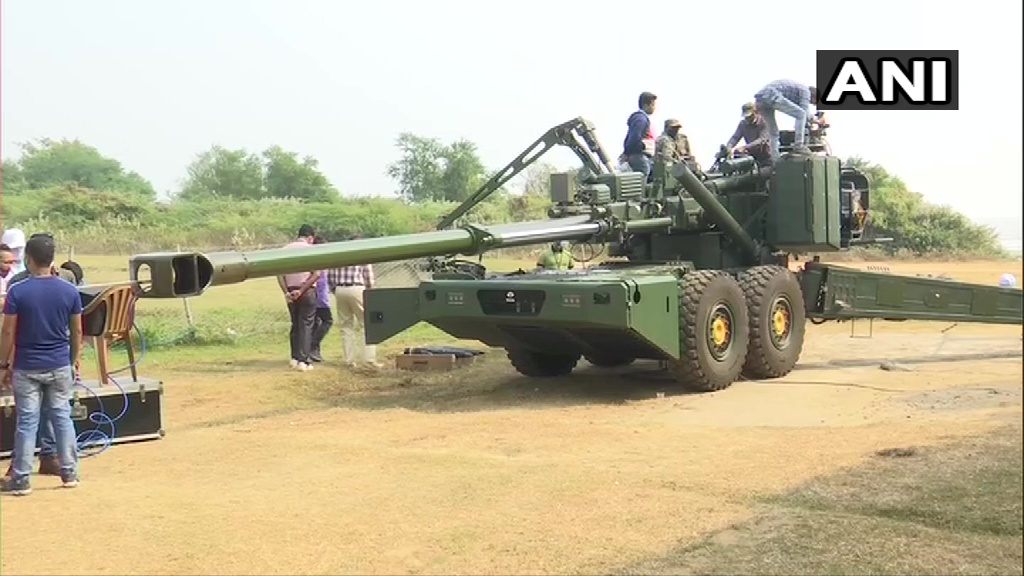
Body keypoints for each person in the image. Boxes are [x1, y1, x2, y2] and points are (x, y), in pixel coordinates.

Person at [0, 233, 83, 496]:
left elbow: (8, 332)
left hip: (27, 365)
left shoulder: (18, 291)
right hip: (59, 363)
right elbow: (77, 331)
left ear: (28, 258)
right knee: (62, 417)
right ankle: (69, 473)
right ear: (52, 258)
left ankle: (22, 478)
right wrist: (73, 360)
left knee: (27, 421)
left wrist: (3, 364)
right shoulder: (69, 290)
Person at [326, 240, 383, 368]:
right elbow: (368, 277)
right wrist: (370, 292)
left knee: (346, 326)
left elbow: (330, 276)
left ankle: (349, 360)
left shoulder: (339, 256)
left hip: (340, 289)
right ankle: (368, 359)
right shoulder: (362, 255)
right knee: (366, 324)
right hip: (357, 288)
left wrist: (334, 289)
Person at [278, 224, 321, 372]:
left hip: (290, 289)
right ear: (310, 237)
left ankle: (294, 358)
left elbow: (280, 274)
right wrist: (301, 290)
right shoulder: (311, 250)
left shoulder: (284, 250)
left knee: (295, 324)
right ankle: (304, 360)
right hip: (307, 290)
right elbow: (316, 274)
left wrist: (286, 292)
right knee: (306, 325)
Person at [753, 79, 817, 158]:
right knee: (801, 115)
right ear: (814, 96)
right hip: (771, 94)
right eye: (814, 102)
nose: (812, 104)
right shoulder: (806, 92)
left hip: (760, 99)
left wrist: (812, 119)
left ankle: (775, 159)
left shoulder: (798, 92)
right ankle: (799, 146)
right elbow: (804, 112)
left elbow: (802, 111)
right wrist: (817, 121)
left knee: (773, 132)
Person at [621, 92, 658, 181]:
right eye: (652, 105)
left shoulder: (642, 118)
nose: (654, 108)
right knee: (642, 176)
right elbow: (634, 137)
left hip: (641, 154)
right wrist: (642, 146)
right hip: (639, 154)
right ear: (645, 105)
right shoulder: (641, 119)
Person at [309, 236, 334, 363]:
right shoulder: (321, 260)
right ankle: (313, 345)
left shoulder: (313, 259)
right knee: (327, 321)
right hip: (320, 297)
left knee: (315, 323)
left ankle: (314, 351)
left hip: (315, 295)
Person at [725, 102, 773, 166]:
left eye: (750, 116)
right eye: (746, 117)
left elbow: (762, 140)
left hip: (765, 159)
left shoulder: (764, 122)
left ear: (755, 112)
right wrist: (729, 147)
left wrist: (745, 148)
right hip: (751, 157)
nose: (747, 118)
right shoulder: (743, 124)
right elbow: (735, 137)